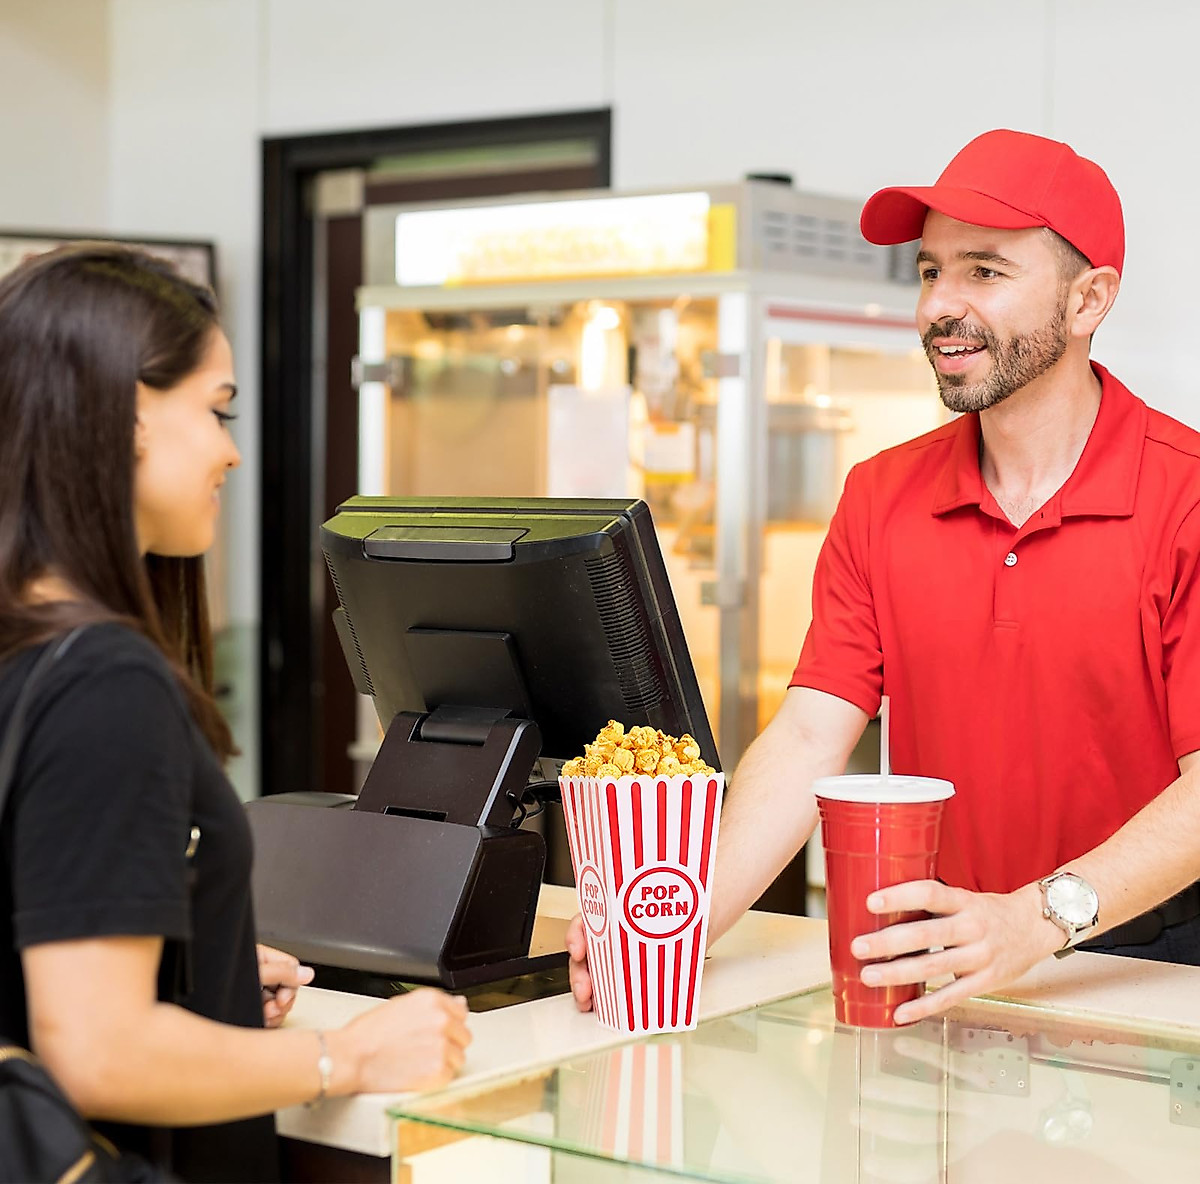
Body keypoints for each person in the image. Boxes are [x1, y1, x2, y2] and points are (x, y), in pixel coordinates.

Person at [568, 128, 1200, 1025]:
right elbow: (807, 742)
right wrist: (680, 925)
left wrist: (1037, 918)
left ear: (1089, 299)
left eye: (985, 271)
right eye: (929, 271)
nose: (942, 305)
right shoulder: (881, 495)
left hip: (1148, 969)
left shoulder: (1186, 497)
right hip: (940, 955)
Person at [0, 245, 471, 1182]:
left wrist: (197, 966)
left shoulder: (24, 644)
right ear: (130, 415)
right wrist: (349, 1057)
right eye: (215, 410)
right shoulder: (103, 682)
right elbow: (96, 1051)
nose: (231, 449)